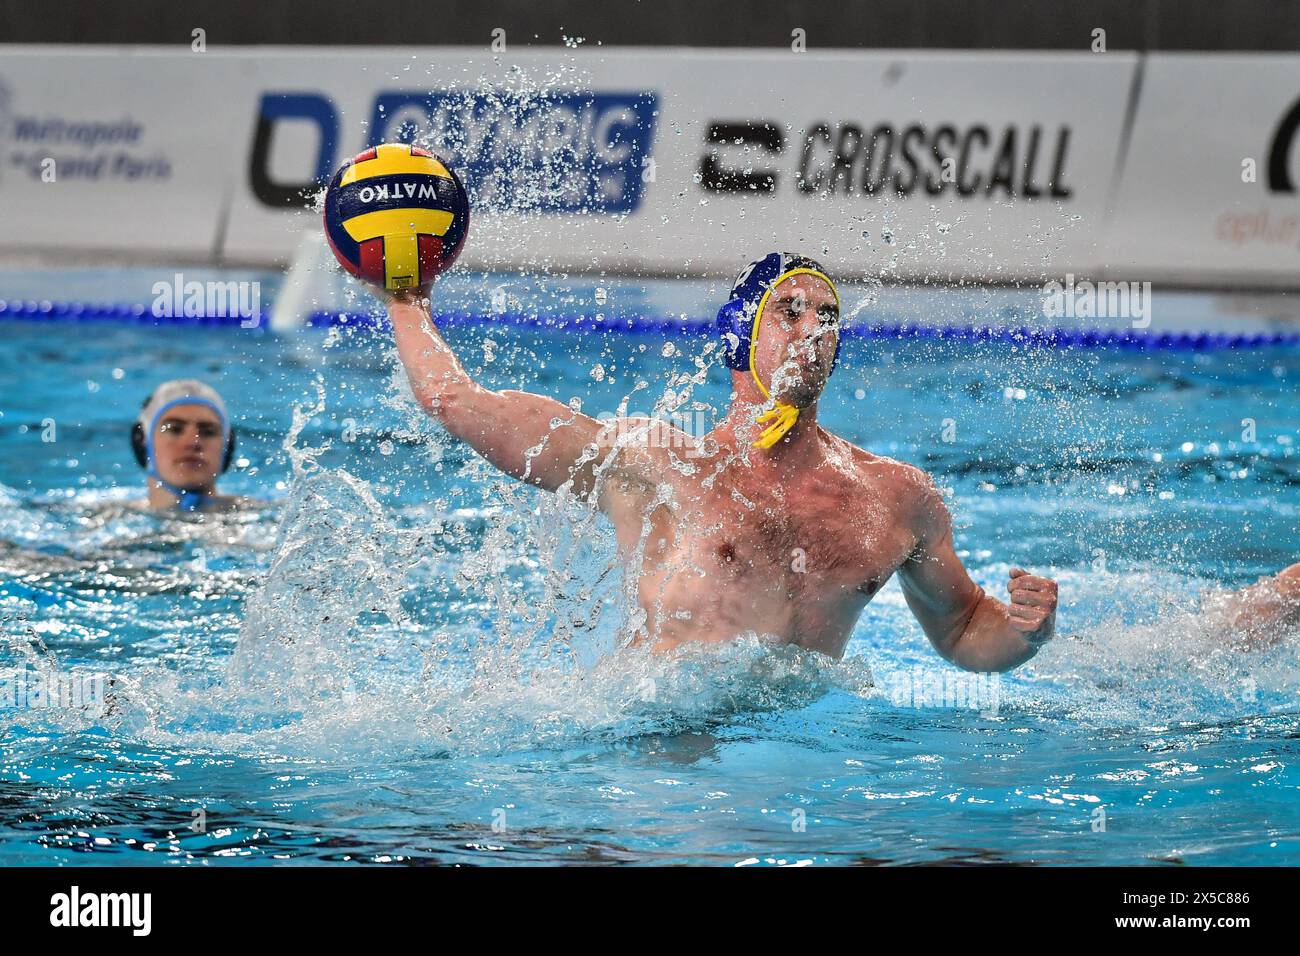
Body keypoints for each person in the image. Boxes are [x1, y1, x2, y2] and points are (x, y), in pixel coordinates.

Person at [384, 252, 1058, 671]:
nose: (815, 328)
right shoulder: (650, 463)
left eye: (828, 315)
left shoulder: (894, 495)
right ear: (741, 337)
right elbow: (454, 399)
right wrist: (405, 297)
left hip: (807, 767)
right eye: (789, 312)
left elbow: (963, 626)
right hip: (664, 760)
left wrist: (1026, 632)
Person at [129, 379, 247, 513]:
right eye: (174, 429)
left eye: (208, 432)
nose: (193, 443)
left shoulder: (257, 515)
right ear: (142, 441)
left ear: (227, 446)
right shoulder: (110, 518)